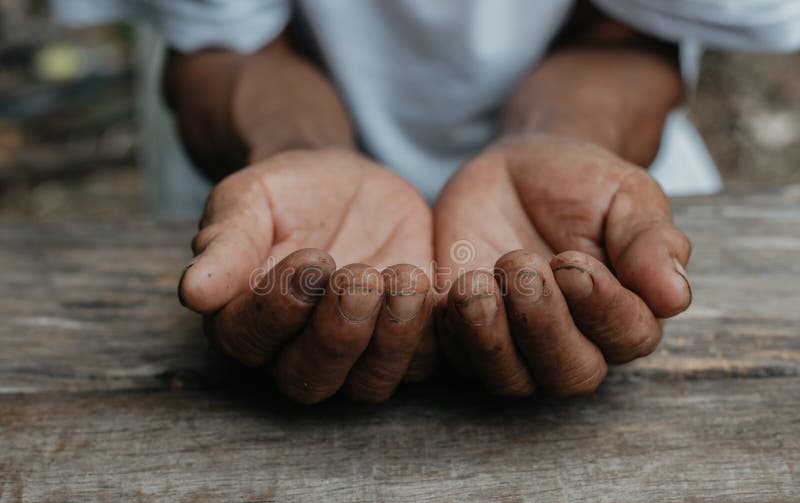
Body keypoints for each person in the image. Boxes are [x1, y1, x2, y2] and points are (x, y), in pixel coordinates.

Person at [53, 0, 800, 403]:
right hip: (276, 221)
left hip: (587, 211)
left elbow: (633, 32)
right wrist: (300, 152)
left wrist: (562, 136)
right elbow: (219, 47)